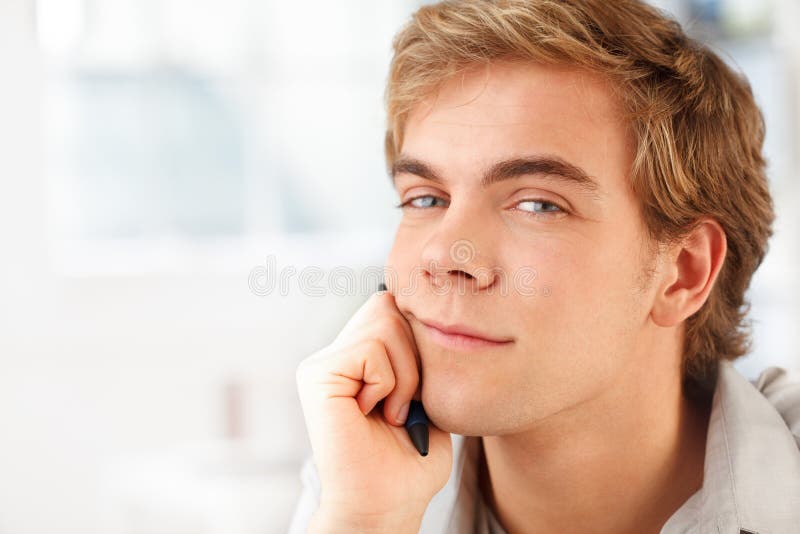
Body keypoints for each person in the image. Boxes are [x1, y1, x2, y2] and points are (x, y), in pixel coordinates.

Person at [289, 1, 800, 532]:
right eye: (425, 198)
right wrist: (368, 519)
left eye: (537, 205)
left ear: (684, 272)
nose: (443, 257)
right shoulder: (358, 487)